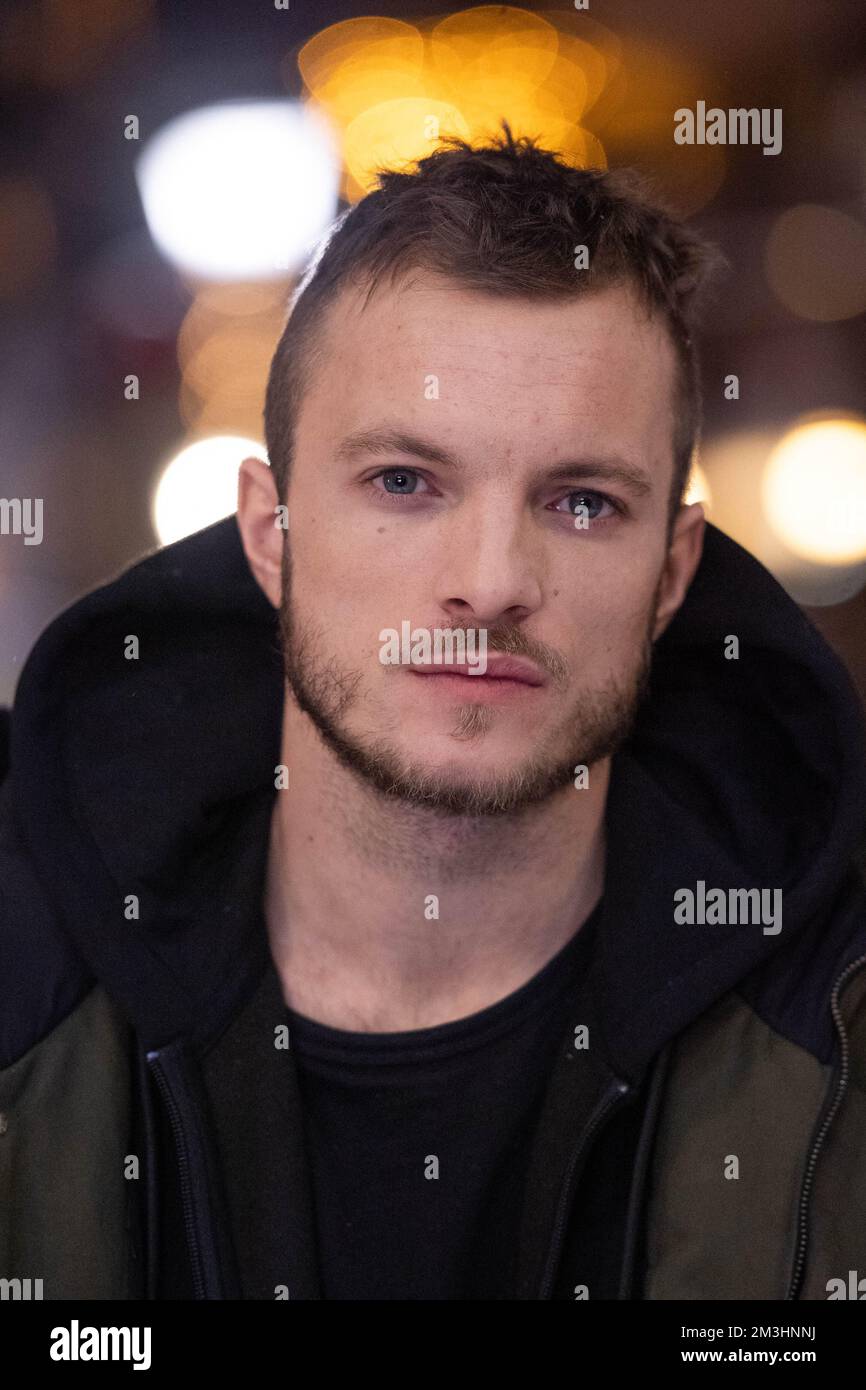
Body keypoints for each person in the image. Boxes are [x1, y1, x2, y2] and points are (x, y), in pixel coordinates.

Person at [2, 124, 865, 1302]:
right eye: (405, 482)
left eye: (579, 501)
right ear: (270, 532)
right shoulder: (24, 974)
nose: (493, 577)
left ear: (672, 572)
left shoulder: (836, 1012)